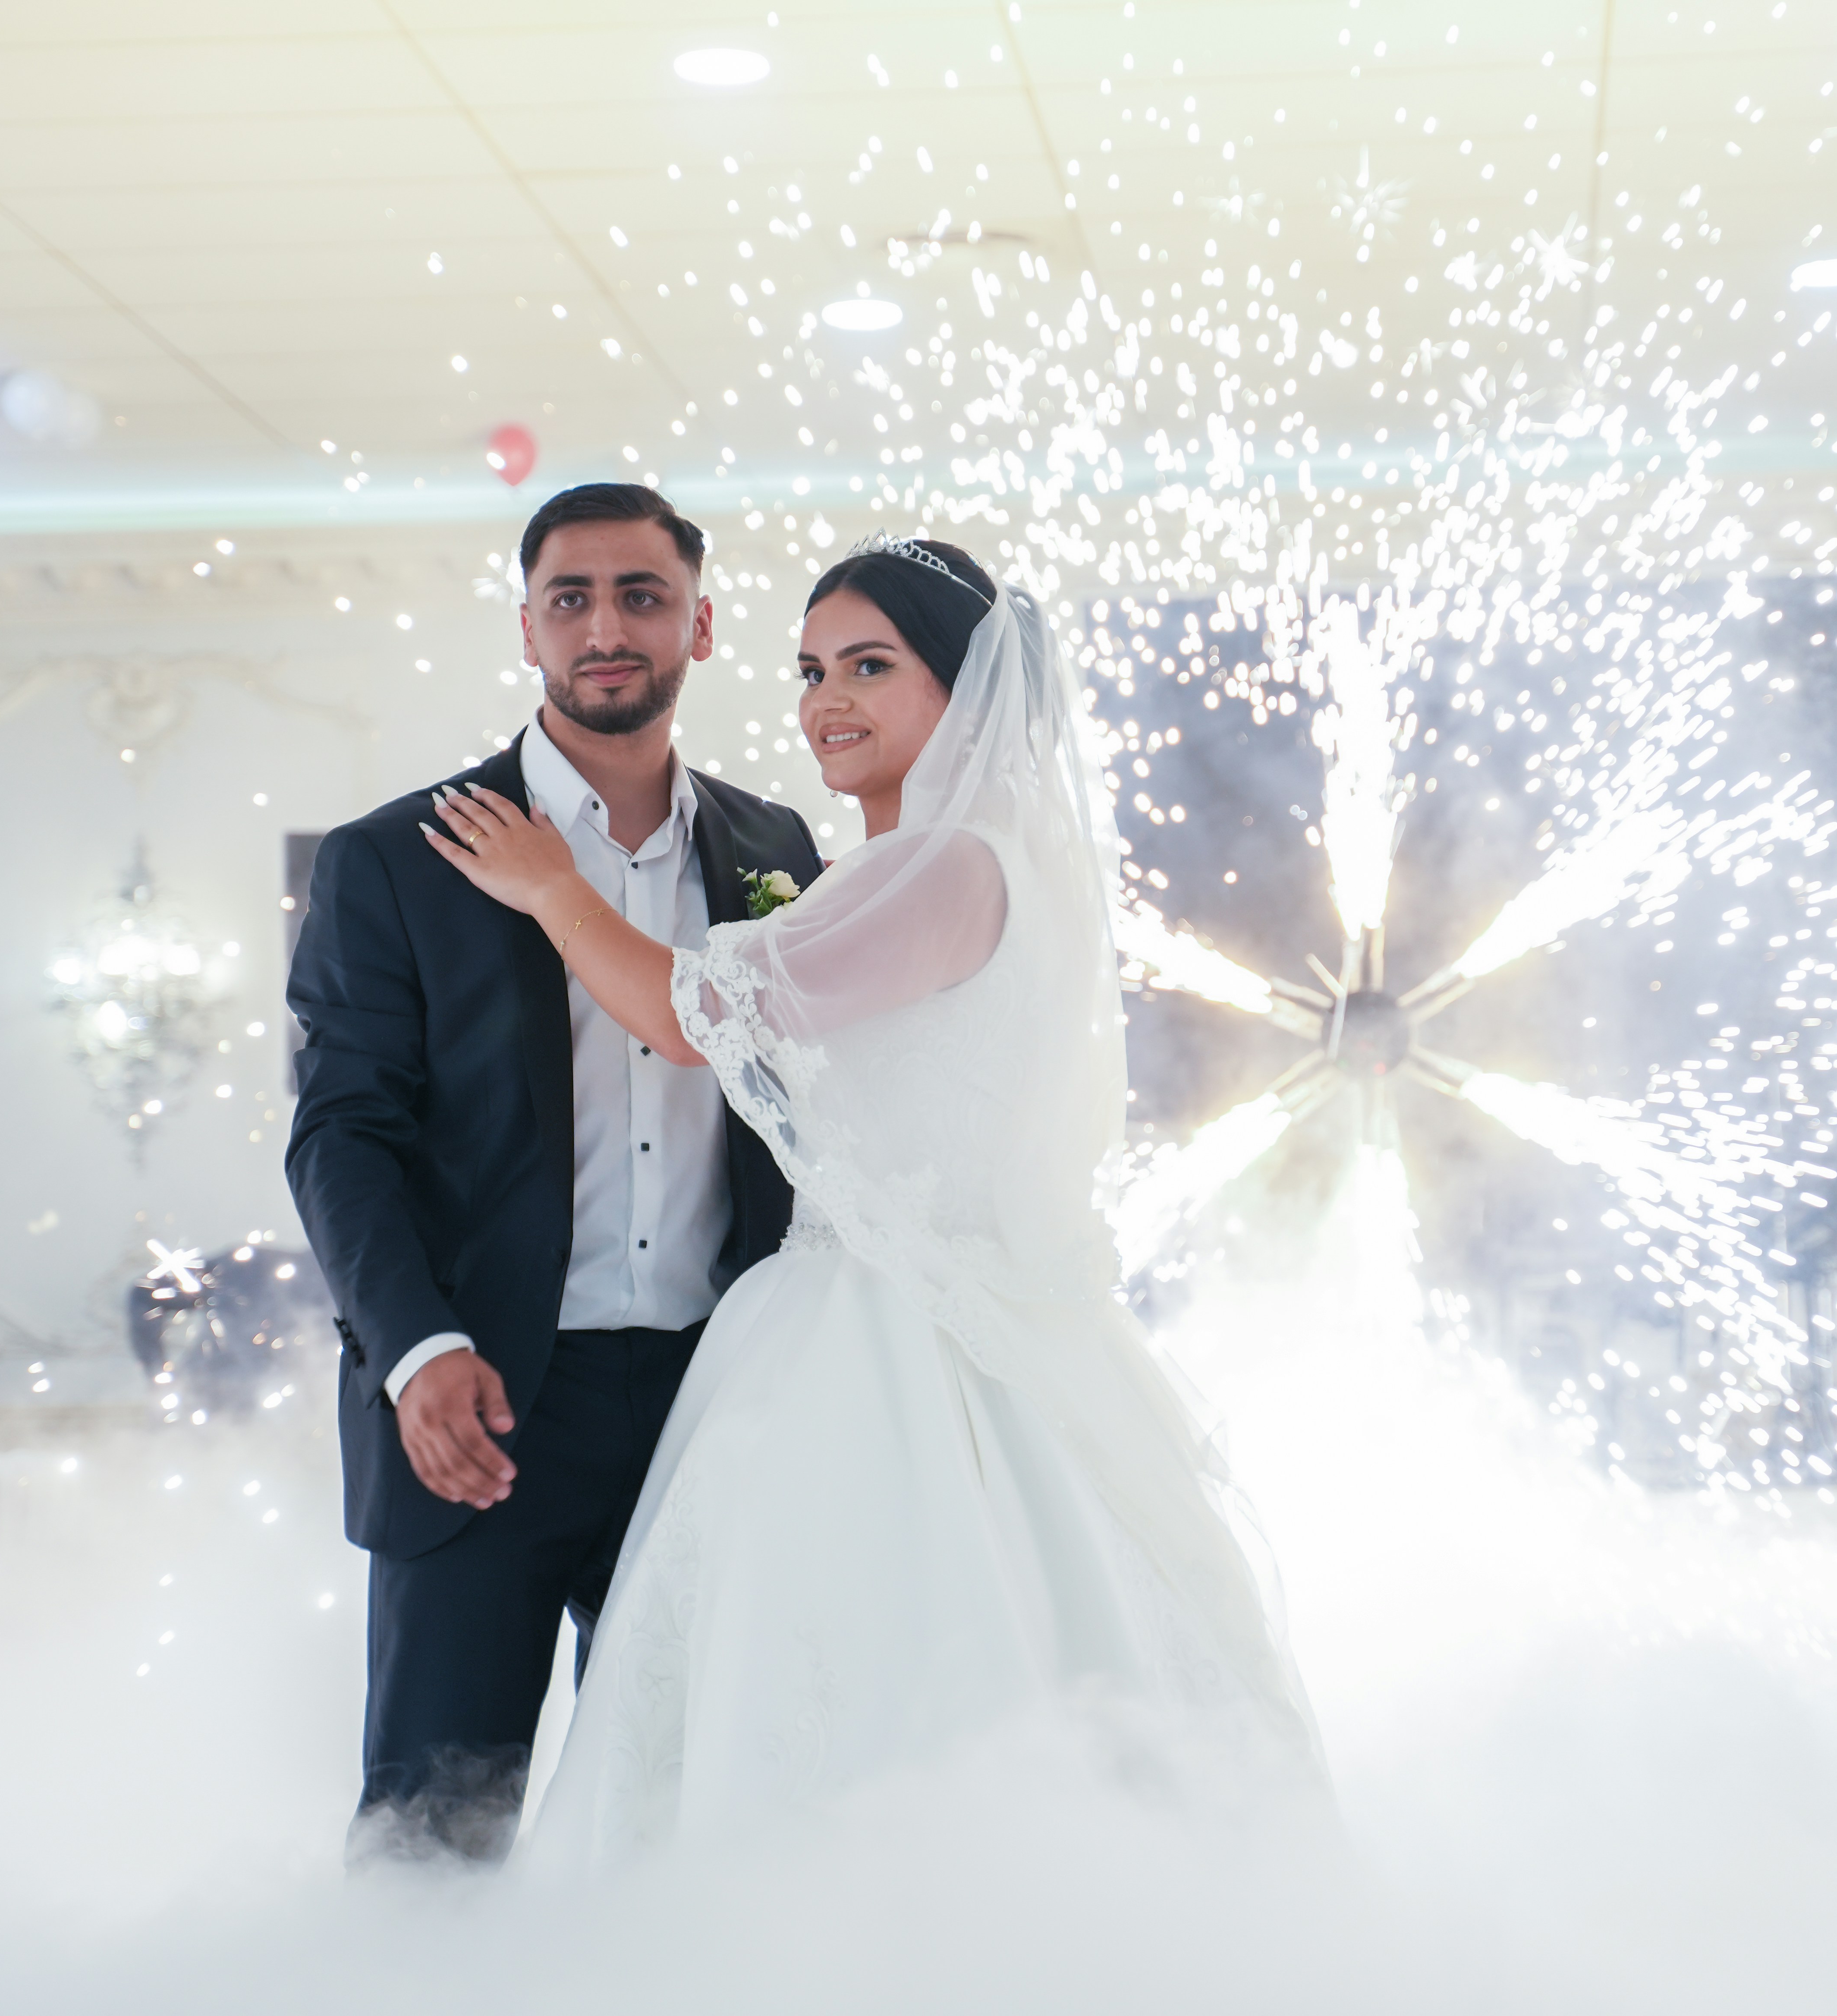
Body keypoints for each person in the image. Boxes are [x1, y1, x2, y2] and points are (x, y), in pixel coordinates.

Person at [426, 534, 1317, 1869]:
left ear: (963, 692)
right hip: (967, 1321)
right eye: (807, 670)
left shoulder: (946, 865)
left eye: (868, 667)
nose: (824, 700)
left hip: (882, 1338)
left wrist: (555, 890)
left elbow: (696, 1014)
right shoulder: (984, 861)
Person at [284, 482, 824, 1859]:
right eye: (570, 598)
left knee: (691, 1819)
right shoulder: (391, 861)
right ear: (526, 627)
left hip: (714, 1403)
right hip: (484, 1411)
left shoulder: (777, 855)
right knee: (434, 1830)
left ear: (700, 627)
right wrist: (415, 1351)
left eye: (640, 596)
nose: (605, 626)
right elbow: (341, 1137)